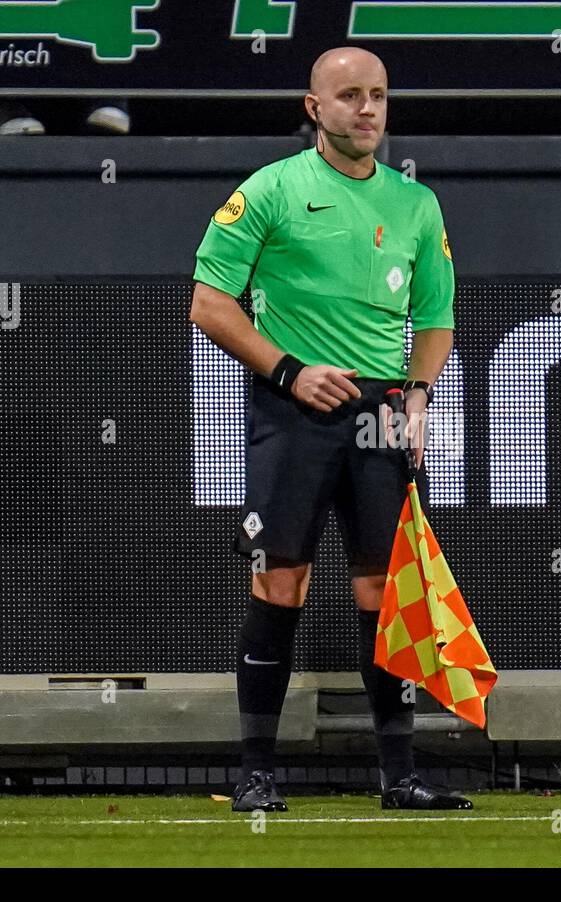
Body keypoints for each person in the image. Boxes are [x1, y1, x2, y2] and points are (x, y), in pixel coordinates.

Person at [188, 46, 469, 812]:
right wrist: (288, 371)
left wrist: (418, 394)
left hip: (381, 413)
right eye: (349, 96)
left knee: (385, 588)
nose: (367, 110)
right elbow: (209, 304)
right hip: (295, 409)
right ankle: (255, 772)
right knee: (281, 580)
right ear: (314, 107)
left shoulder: (417, 204)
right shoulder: (271, 191)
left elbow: (437, 317)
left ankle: (400, 774)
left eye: (378, 95)